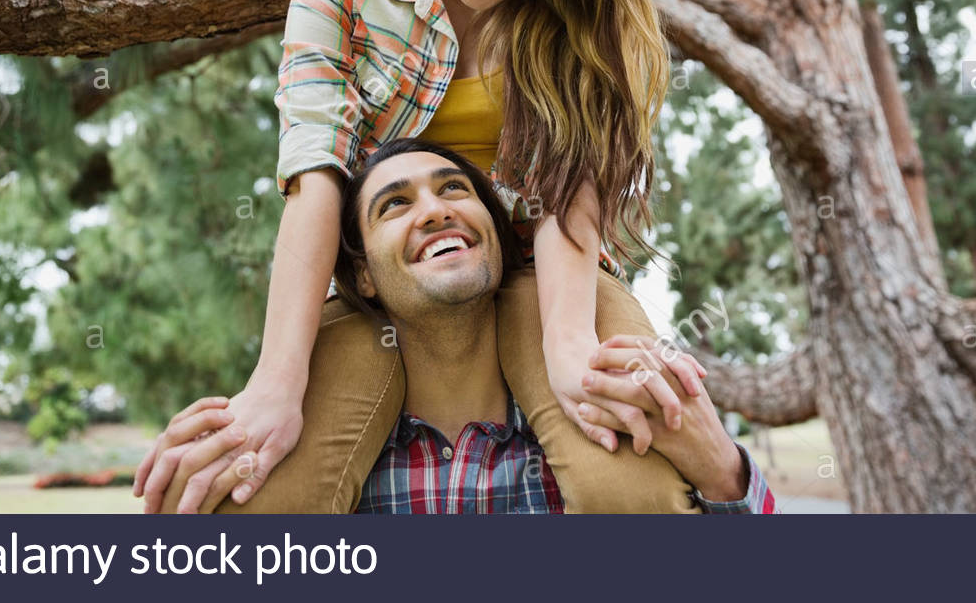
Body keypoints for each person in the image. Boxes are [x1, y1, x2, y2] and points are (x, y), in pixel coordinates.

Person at [136, 0, 705, 514]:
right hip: (390, 287)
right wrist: (275, 383)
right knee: (257, 498)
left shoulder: (576, 16)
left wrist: (568, 349)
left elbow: (571, 190)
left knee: (632, 489)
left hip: (541, 272)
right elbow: (316, 176)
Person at [138, 141, 777, 514]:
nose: (436, 210)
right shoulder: (324, 460)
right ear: (362, 276)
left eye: (454, 190)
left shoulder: (612, 417)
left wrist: (725, 472)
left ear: (498, 240)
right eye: (395, 204)